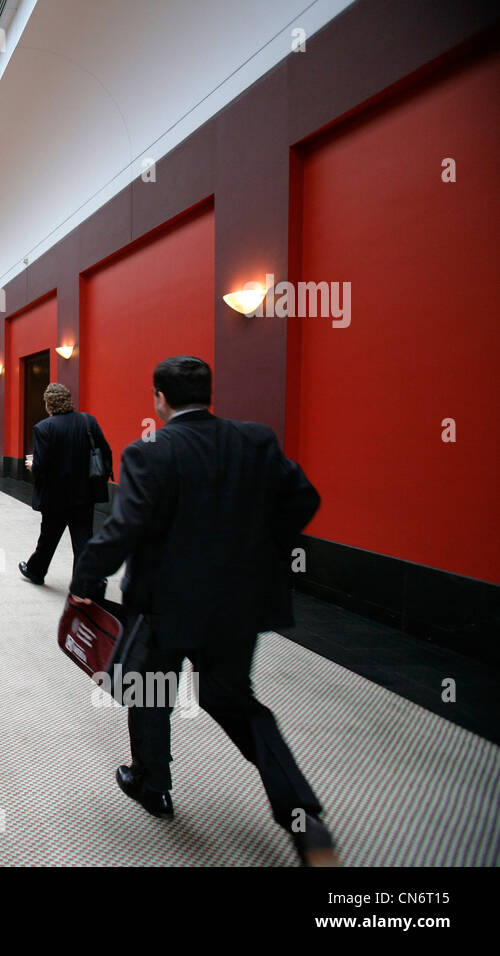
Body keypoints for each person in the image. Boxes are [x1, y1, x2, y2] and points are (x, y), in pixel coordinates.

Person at [68, 356, 337, 866]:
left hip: (165, 602)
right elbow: (303, 498)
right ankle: (304, 816)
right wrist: (263, 546)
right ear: (208, 394)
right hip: (239, 602)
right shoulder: (255, 440)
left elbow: (124, 529)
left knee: (149, 689)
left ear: (160, 399)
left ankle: (152, 785)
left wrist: (86, 581)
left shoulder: (150, 452)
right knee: (234, 700)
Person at [19, 383, 111, 586]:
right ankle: (84, 582)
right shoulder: (88, 422)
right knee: (83, 539)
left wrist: (33, 465)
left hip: (55, 496)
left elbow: (42, 467)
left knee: (48, 538)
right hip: (84, 494)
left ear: (48, 404)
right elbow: (105, 452)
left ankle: (36, 571)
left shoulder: (44, 428)